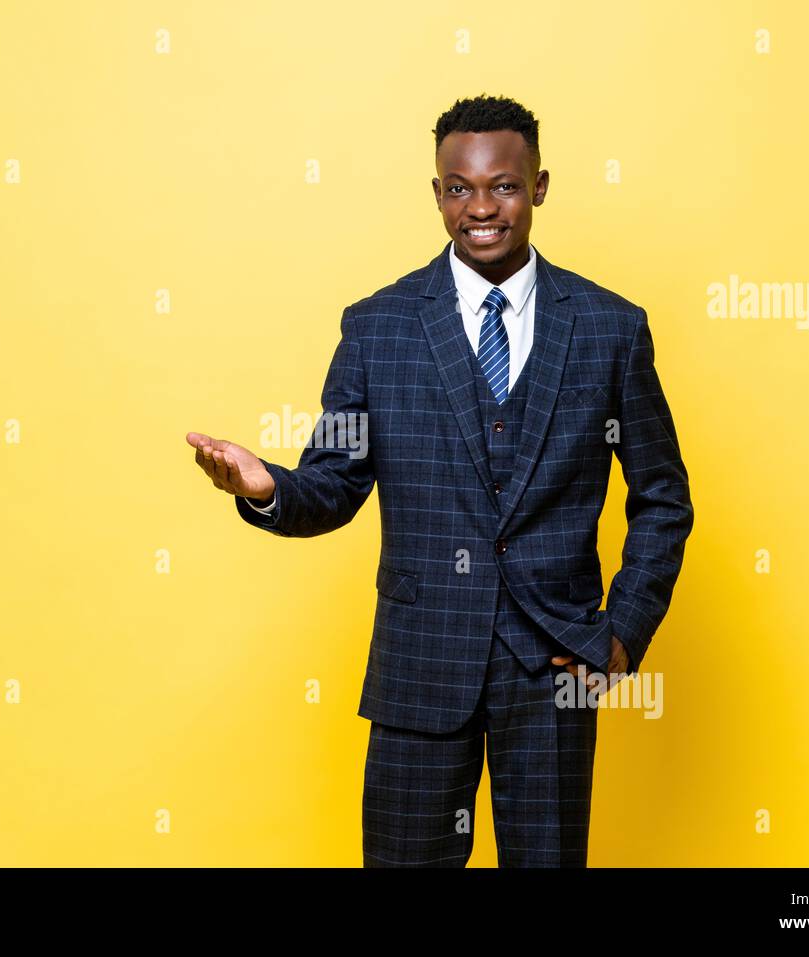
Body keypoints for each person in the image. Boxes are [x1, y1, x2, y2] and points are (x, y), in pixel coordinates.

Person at [186, 93, 693, 866]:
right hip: (420, 668)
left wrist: (621, 632)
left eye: (504, 186)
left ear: (541, 186)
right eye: (459, 188)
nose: (480, 207)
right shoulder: (378, 326)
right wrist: (267, 487)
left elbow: (662, 496)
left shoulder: (609, 327)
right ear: (436, 193)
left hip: (554, 670)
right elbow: (333, 484)